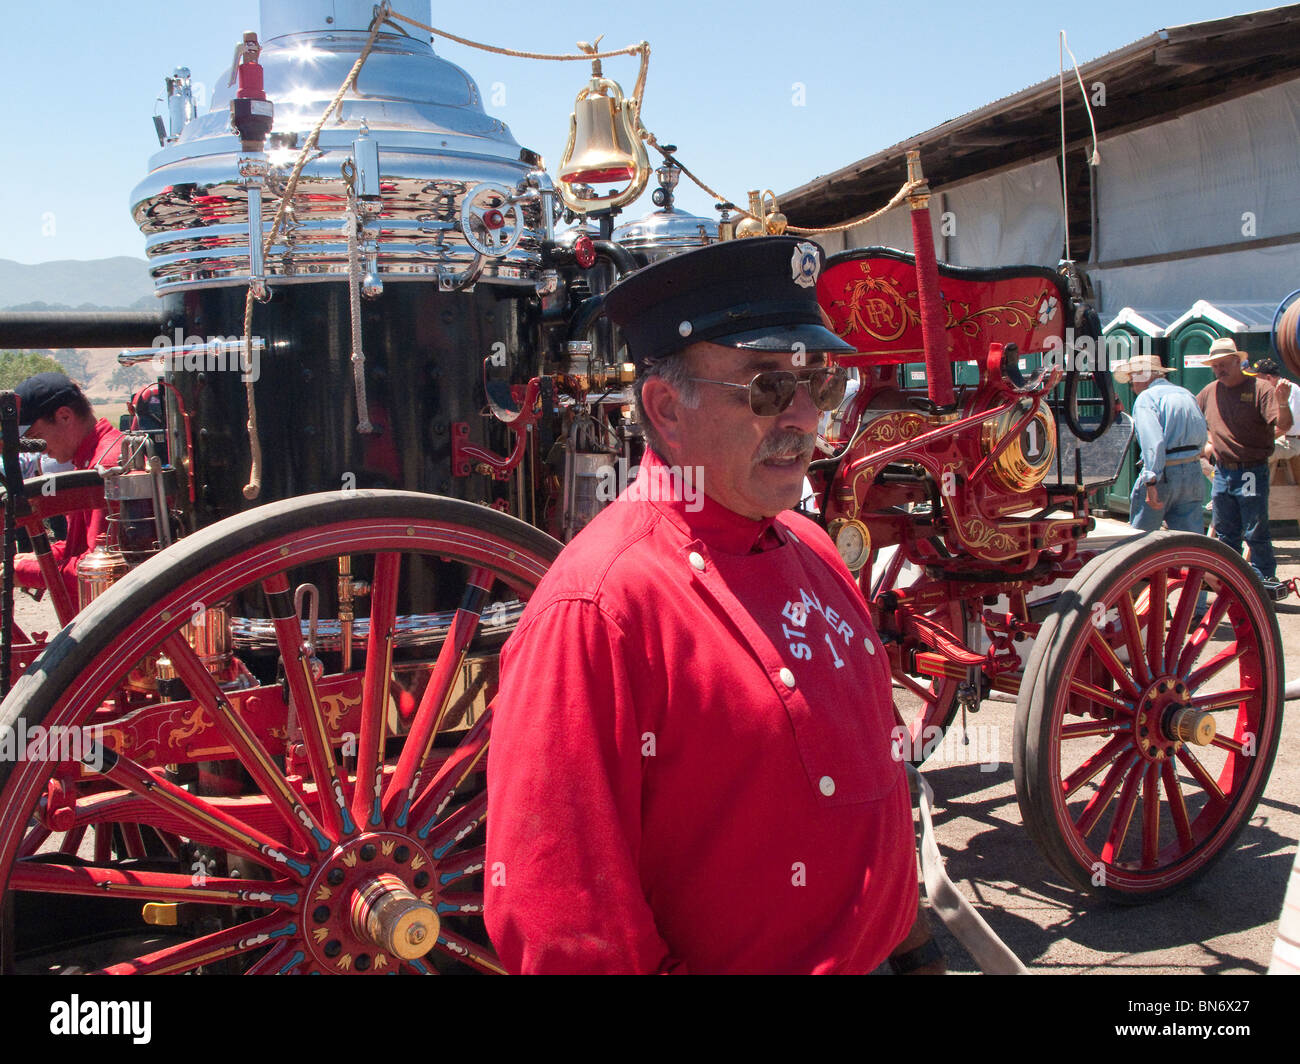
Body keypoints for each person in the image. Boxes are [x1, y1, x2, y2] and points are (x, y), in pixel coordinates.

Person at [485, 237, 941, 974]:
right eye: (766, 388)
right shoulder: (597, 610)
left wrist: (914, 941)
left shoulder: (810, 545)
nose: (803, 418)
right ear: (666, 408)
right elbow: (565, 926)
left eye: (818, 384)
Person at [12, 373, 124, 603]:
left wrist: (22, 572)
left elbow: (101, 573)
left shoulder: (107, 466)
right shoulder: (91, 459)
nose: (39, 450)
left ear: (64, 416)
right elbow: (76, 548)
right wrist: (29, 562)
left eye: (36, 437)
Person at [1197, 338, 1293, 597]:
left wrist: (1283, 403)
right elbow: (1198, 423)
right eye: (1215, 366)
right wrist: (1207, 441)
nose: (1219, 370)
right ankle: (1229, 579)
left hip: (1251, 469)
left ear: (1238, 362)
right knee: (1225, 530)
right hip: (1223, 471)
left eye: (1223, 364)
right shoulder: (1209, 392)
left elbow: (1283, 424)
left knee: (1254, 528)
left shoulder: (1260, 389)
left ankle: (1264, 582)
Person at [1111, 353, 1208, 532]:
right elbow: (1202, 437)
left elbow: (1153, 444)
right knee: (1189, 539)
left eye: (1133, 377)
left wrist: (1151, 481)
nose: (1131, 383)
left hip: (1164, 473)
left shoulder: (1146, 399)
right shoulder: (1186, 394)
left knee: (1142, 540)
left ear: (1144, 375)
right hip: (1192, 472)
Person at [1246, 358, 1300, 485]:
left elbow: (1284, 428)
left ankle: (1249, 493)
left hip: (1293, 441)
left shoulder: (1288, 389)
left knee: (1253, 455)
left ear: (1268, 378)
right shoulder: (1266, 391)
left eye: (1257, 377)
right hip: (1276, 439)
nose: (1253, 381)